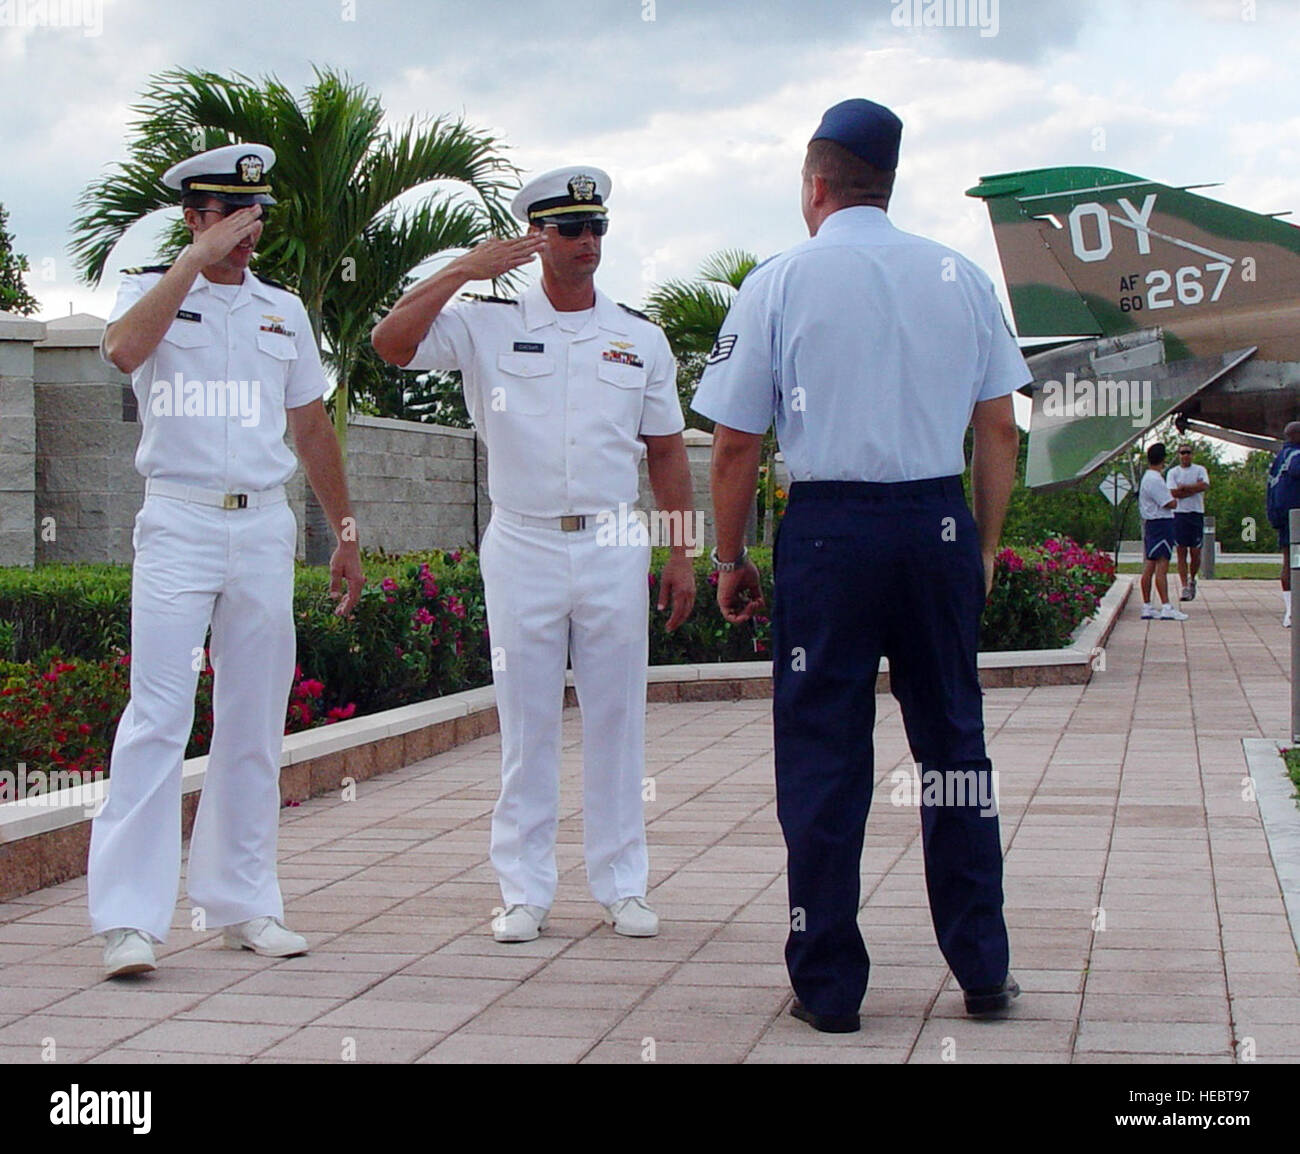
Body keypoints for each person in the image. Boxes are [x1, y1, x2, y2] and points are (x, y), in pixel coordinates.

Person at [692, 98, 1025, 1032]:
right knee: (954, 748)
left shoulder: (780, 280)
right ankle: (984, 970)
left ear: (815, 183)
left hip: (831, 533)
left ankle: (831, 989)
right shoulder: (959, 275)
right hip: (934, 526)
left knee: (825, 759)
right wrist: (985, 547)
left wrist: (730, 559)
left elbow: (732, 445)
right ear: (887, 181)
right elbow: (999, 426)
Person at [371, 166, 695, 943]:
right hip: (523, 541)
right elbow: (390, 344)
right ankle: (524, 889)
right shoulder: (484, 321)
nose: (588, 243)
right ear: (536, 238)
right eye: (571, 229)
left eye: (597, 229)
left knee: (619, 717)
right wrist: (459, 271)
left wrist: (683, 553)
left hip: (614, 538)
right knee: (526, 721)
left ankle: (623, 883)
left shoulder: (637, 336)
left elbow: (667, 453)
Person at [90, 144, 365, 979]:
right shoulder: (157, 296)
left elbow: (311, 426)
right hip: (178, 520)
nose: (247, 232)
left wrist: (345, 531)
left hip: (261, 527)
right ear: (194, 217)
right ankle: (130, 919)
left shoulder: (282, 312)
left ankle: (243, 900)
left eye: (255, 218)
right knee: (158, 716)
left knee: (253, 718)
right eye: (228, 217)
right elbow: (121, 352)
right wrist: (193, 264)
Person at [1138, 442, 1189, 621]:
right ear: (1163, 459)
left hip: (1152, 524)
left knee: (1150, 565)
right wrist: (1175, 497)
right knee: (1162, 564)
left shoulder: (1147, 478)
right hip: (1161, 523)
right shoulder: (1155, 479)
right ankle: (1166, 605)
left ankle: (1147, 605)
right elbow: (1169, 502)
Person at [1266, 421, 1300, 627]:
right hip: (1296, 516)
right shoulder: (1296, 456)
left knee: (1288, 561)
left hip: (1283, 516)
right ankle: (1292, 611)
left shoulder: (1279, 458)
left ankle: (1290, 610)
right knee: (1293, 563)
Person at [1166, 443, 1210, 600]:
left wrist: (1185, 488)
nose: (1185, 455)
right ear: (1178, 455)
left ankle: (1193, 578)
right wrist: (1189, 490)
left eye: (1188, 452)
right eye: (1182, 453)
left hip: (1195, 513)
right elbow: (1172, 492)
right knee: (1181, 551)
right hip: (1179, 514)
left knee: (1196, 552)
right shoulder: (1173, 472)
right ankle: (1184, 586)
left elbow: (1204, 486)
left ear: (1192, 454)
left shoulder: (1200, 470)